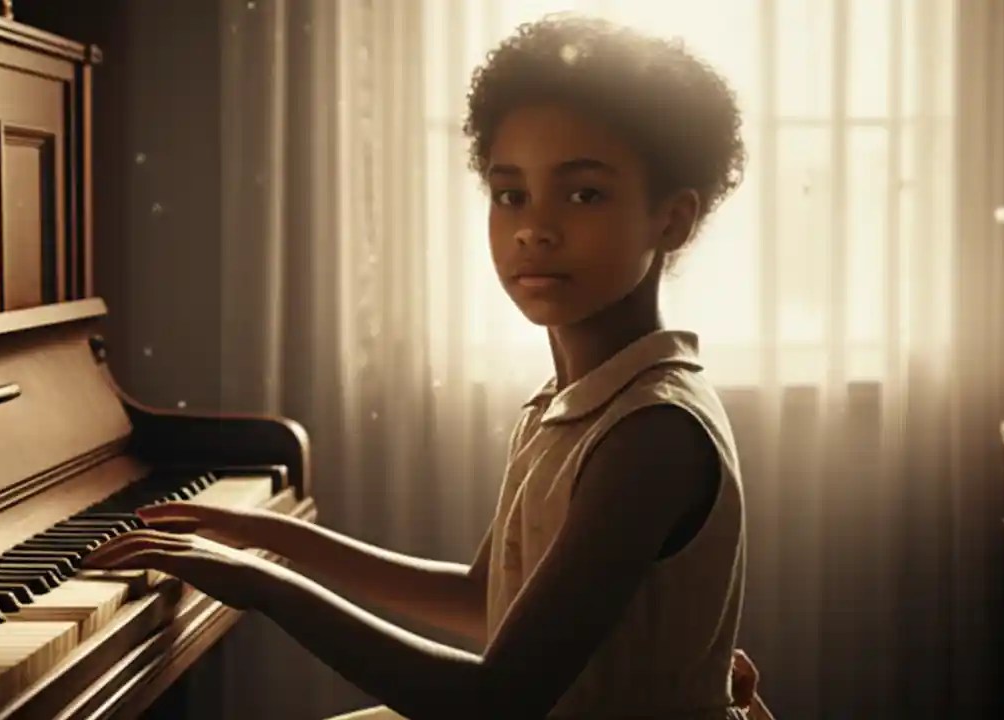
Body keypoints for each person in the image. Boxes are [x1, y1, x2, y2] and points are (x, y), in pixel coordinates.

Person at [85, 13, 774, 720]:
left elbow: (497, 698)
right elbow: (481, 601)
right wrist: (268, 537)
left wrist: (263, 585)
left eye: (584, 193)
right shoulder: (572, 401)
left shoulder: (650, 434)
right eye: (511, 195)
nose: (534, 227)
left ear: (673, 221)